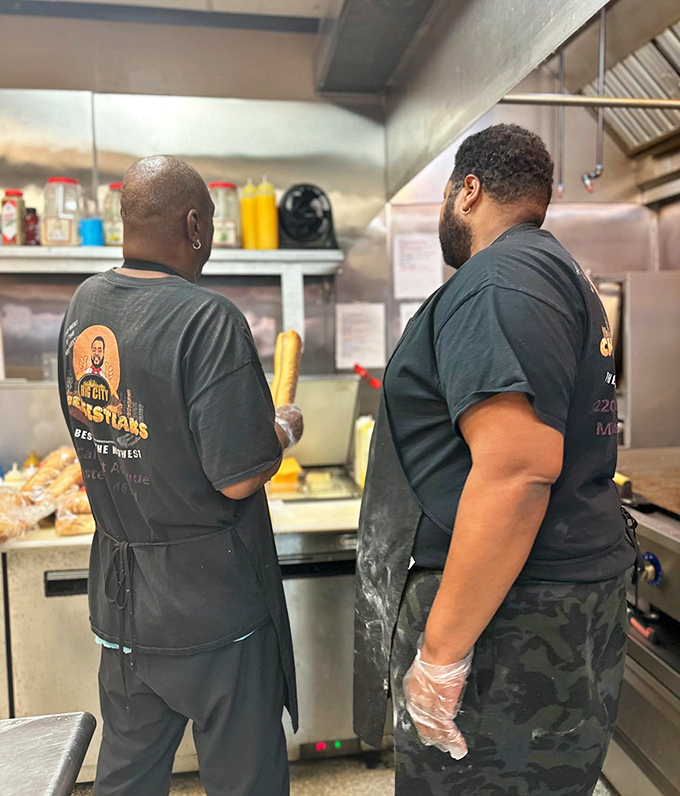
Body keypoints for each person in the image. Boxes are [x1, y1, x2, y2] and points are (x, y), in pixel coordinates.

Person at [354, 124, 637, 795]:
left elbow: (517, 472)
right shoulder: (554, 274)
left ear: (467, 191)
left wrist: (443, 658)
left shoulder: (497, 281)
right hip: (543, 608)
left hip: (510, 630)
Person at [58, 155, 303, 796]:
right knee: (244, 779)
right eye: (213, 226)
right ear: (194, 225)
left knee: (128, 777)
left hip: (124, 605)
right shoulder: (207, 319)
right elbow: (239, 477)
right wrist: (283, 428)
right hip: (213, 607)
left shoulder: (85, 306)